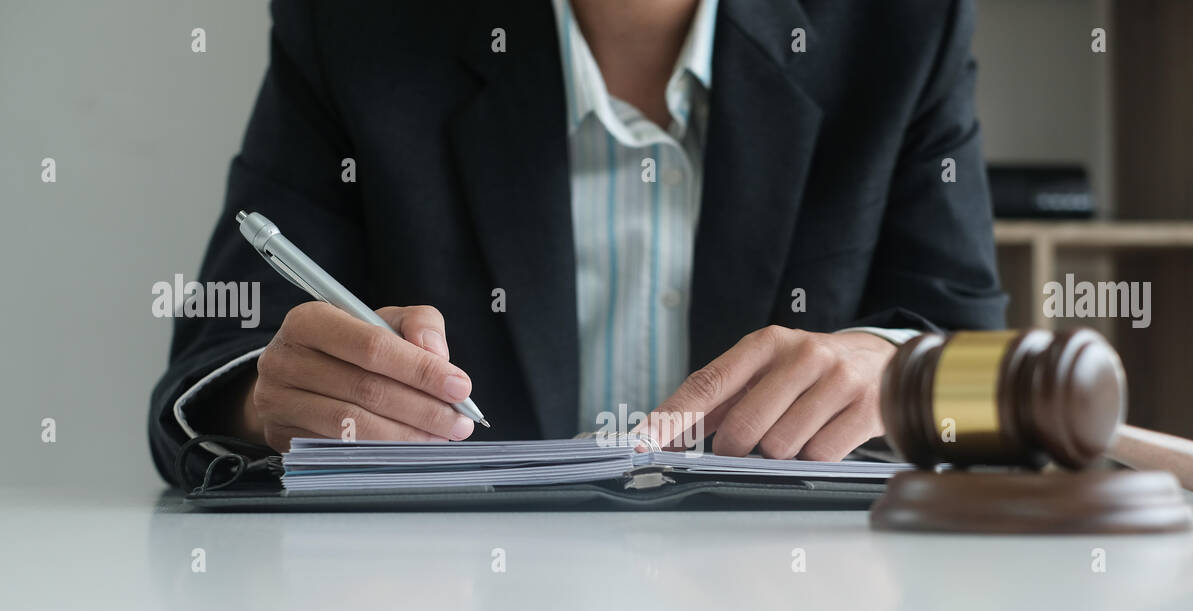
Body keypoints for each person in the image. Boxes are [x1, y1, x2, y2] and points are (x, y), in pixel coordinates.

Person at [149, 0, 1005, 486]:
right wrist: (270, 404)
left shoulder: (902, 26)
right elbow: (210, 374)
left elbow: (990, 380)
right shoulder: (358, 27)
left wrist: (901, 372)